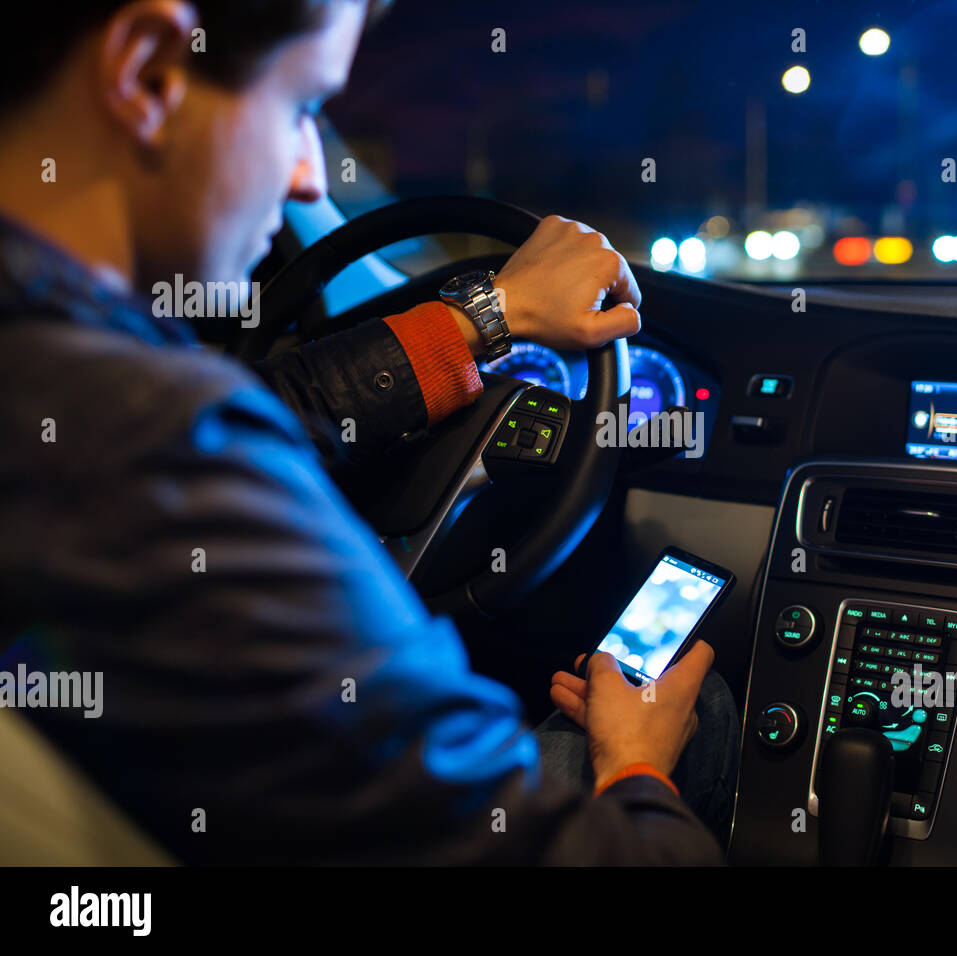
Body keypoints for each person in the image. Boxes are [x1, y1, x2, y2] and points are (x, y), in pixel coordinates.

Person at [0, 0, 736, 864]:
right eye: (301, 108)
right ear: (147, 73)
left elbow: (277, 402)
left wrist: (487, 316)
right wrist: (636, 772)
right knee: (703, 707)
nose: (310, 177)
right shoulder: (156, 443)